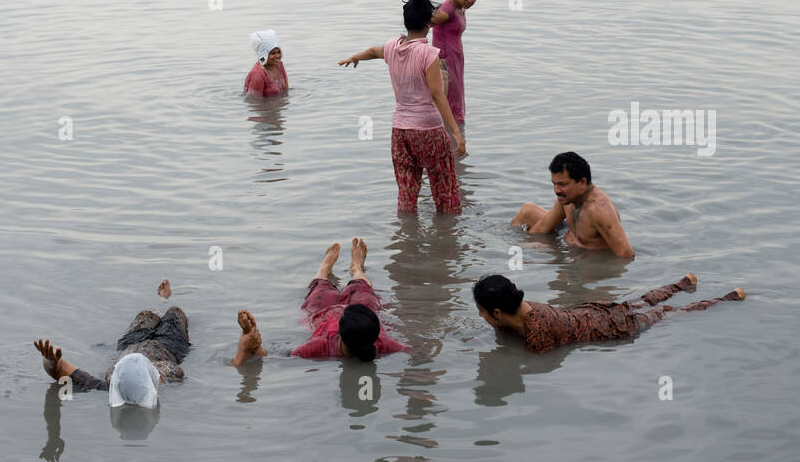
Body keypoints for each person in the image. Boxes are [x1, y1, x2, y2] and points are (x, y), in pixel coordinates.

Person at [339, 0, 465, 213]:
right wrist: (456, 132)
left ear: (406, 22)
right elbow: (437, 95)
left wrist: (355, 57)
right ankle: (448, 233)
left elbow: (373, 51)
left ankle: (407, 232)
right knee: (445, 192)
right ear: (429, 23)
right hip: (429, 131)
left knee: (407, 193)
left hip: (400, 132)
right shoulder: (429, 54)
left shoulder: (392, 47)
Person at [473, 272, 745, 354]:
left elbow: (534, 358)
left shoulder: (537, 331)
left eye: (482, 312)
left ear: (497, 312)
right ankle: (682, 283)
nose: (480, 316)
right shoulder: (522, 306)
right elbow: (506, 328)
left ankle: (727, 298)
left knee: (670, 313)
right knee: (642, 301)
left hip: (613, 329)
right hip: (594, 311)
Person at [230, 238, 407, 364]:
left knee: (320, 287)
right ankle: (356, 269)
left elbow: (273, 358)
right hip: (362, 313)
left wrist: (250, 346)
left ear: (339, 335)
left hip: (323, 313)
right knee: (363, 289)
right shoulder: (383, 344)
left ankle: (326, 269)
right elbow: (413, 351)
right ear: (376, 335)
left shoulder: (322, 346)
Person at [33, 280, 189, 403]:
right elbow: (164, 378)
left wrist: (51, 362)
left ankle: (161, 299)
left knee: (146, 315)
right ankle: (164, 299)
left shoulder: (107, 386)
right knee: (175, 312)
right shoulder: (171, 374)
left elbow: (60, 370)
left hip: (130, 344)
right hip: (169, 345)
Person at [511, 151, 635, 259]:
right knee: (527, 211)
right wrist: (526, 245)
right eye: (554, 183)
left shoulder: (599, 210)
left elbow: (627, 255)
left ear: (582, 182)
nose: (556, 190)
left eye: (562, 184)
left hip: (587, 259)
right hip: (568, 242)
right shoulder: (566, 199)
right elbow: (543, 227)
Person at [431, 0, 482, 150]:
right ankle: (450, 146)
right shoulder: (448, 9)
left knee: (455, 101)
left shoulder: (459, 8)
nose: (470, 0)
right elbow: (426, 22)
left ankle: (453, 147)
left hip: (456, 62)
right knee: (447, 103)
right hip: (444, 63)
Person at [243, 29, 289, 96]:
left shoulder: (279, 65)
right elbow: (254, 100)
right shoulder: (258, 74)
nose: (277, 56)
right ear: (264, 54)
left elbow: (286, 90)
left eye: (279, 52)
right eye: (273, 53)